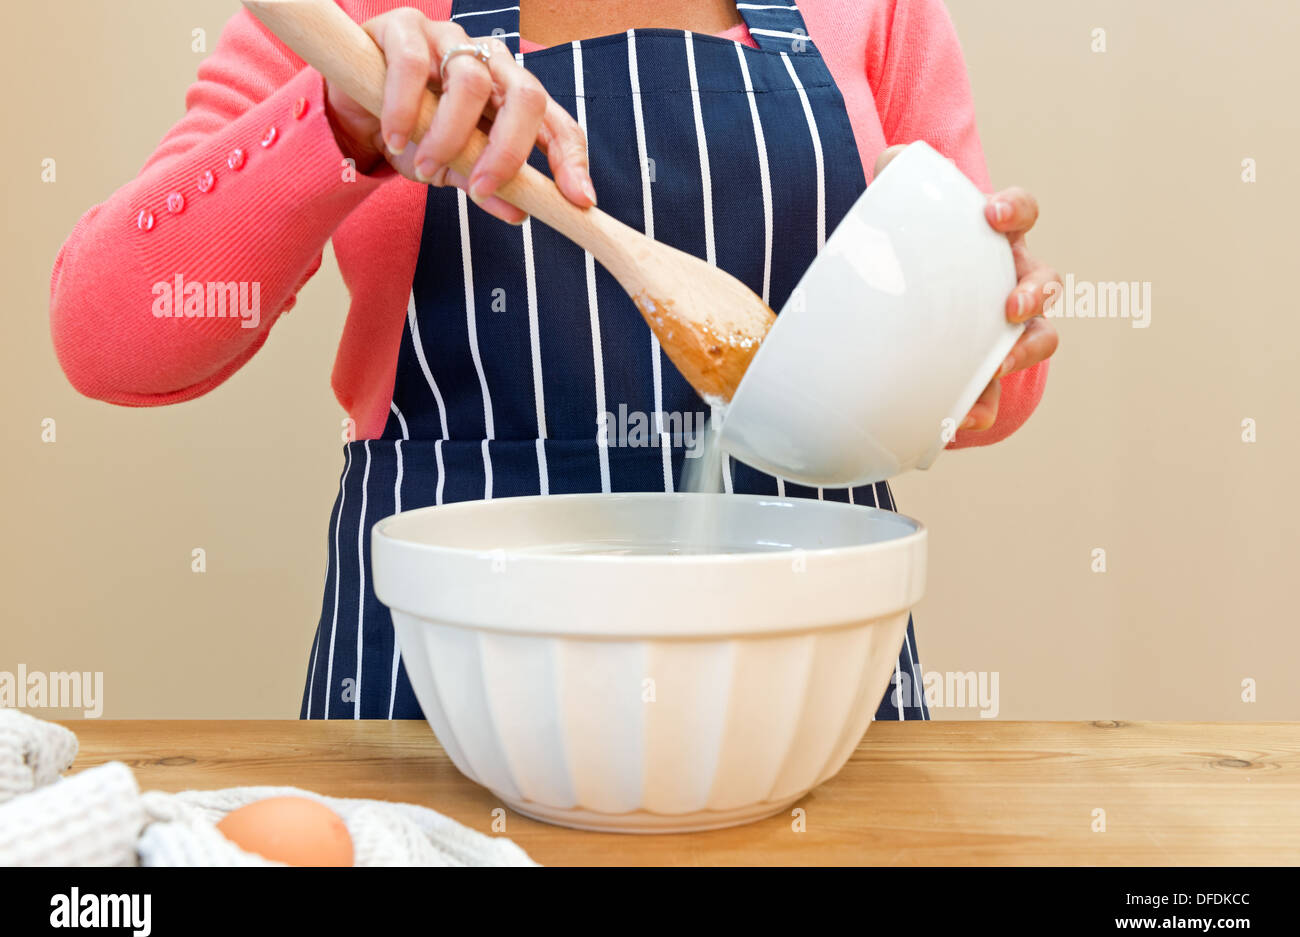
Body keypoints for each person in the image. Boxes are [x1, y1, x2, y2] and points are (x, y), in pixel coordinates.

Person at [49, 0, 1059, 720]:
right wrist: (346, 119)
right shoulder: (354, 18)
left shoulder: (875, 10)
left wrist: (976, 321)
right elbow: (107, 334)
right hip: (443, 697)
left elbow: (991, 397)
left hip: (803, 689)